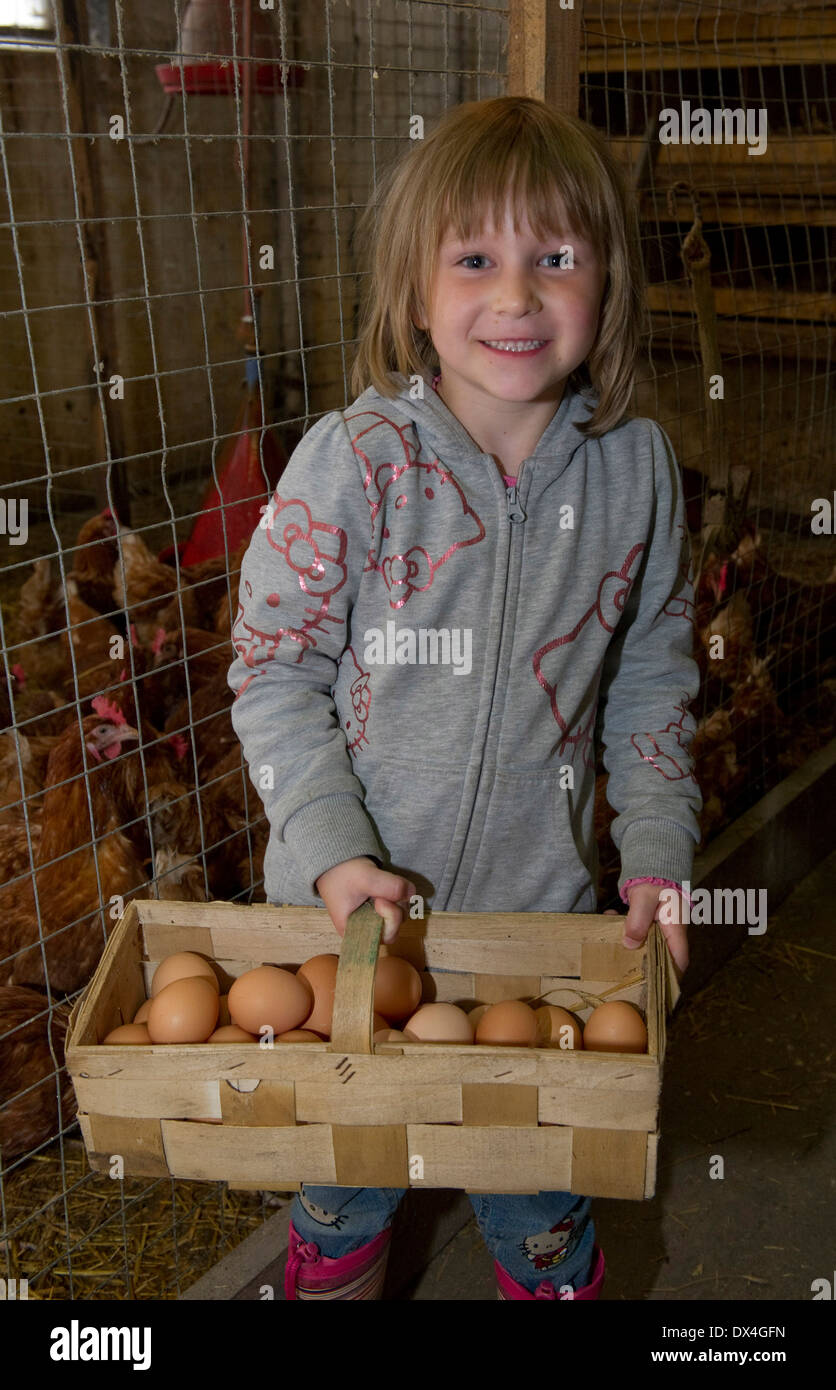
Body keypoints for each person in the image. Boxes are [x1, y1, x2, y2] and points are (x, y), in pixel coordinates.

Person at [227, 96, 701, 1301]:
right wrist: (333, 855)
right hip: (347, 940)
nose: (515, 297)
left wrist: (655, 855)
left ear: (607, 282)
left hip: (532, 939)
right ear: (416, 285)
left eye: (555, 259)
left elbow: (650, 674)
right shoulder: (353, 462)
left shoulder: (634, 468)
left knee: (536, 1185)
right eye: (475, 259)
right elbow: (276, 676)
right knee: (345, 1178)